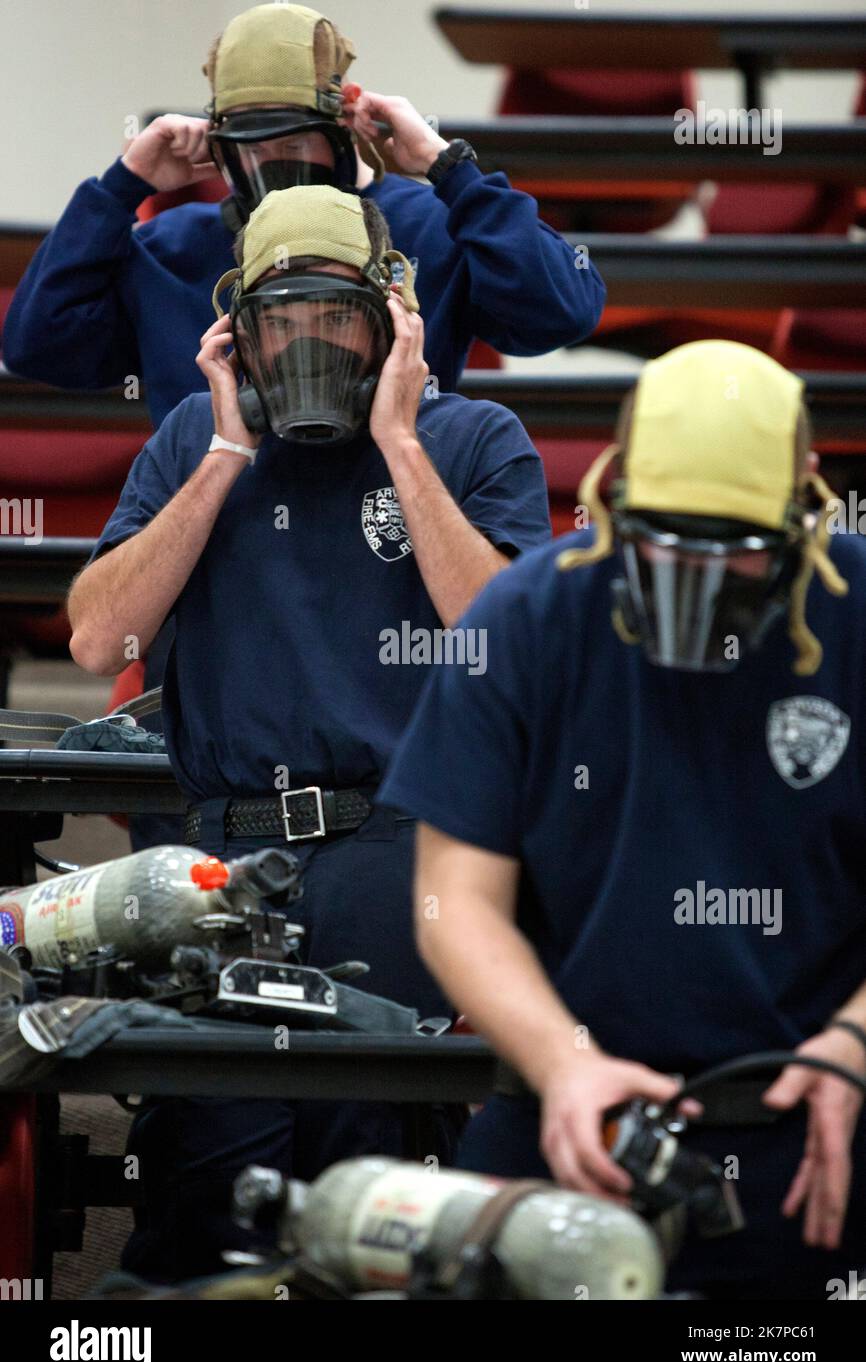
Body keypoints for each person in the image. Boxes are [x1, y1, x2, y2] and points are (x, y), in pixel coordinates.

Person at [66, 185, 551, 1281]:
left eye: (336, 314)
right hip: (220, 854)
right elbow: (100, 637)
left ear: (389, 318)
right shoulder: (196, 436)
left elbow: (508, 639)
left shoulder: (472, 436)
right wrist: (225, 456)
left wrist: (397, 442)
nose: (311, 341)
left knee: (368, 1176)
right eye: (283, 318)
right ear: (242, 330)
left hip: (398, 842)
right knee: (211, 1171)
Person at [380, 339, 866, 1300]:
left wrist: (855, 1040)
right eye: (663, 547)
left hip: (818, 1112)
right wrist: (564, 1065)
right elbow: (454, 900)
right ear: (612, 490)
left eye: (733, 557)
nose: (696, 581)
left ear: (806, 504)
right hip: (577, 1095)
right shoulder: (525, 619)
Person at [3, 2, 605, 425]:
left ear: (344, 125)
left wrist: (450, 170)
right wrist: (118, 188)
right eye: (251, 148)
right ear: (220, 147)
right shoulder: (172, 248)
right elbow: (38, 348)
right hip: (216, 540)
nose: (272, 164)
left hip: (387, 528)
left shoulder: (432, 226)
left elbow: (562, 314)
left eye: (294, 144)